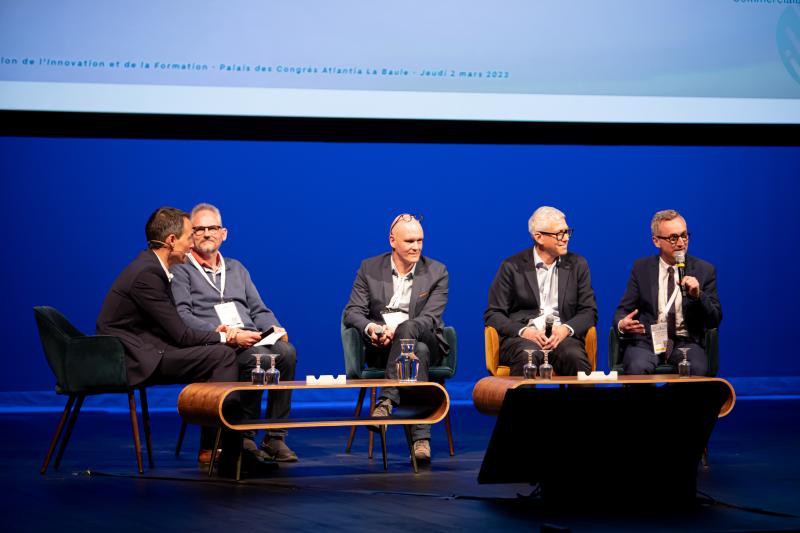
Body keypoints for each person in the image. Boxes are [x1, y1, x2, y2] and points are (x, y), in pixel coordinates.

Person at [96, 207, 275, 477]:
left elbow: (173, 331)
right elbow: (179, 333)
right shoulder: (147, 274)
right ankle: (228, 451)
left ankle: (224, 446)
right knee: (222, 355)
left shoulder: (153, 267)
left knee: (222, 353)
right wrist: (227, 336)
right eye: (189, 235)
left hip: (150, 347)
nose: (193, 242)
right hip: (135, 357)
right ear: (171, 241)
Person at [171, 203, 298, 462]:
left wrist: (274, 327)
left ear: (224, 233)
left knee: (286, 352)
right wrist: (226, 333)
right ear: (191, 234)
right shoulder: (181, 270)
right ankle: (245, 436)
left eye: (213, 228)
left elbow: (258, 309)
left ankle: (275, 437)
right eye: (199, 229)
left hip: (250, 338)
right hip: (217, 343)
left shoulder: (237, 268)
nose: (207, 233)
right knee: (259, 358)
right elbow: (183, 316)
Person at [343, 214, 449, 463]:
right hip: (382, 345)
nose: (416, 246)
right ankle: (421, 440)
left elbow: (430, 319)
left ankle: (386, 401)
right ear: (392, 240)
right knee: (417, 352)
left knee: (412, 332)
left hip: (427, 337)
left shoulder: (437, 271)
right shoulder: (369, 268)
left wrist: (399, 330)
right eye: (410, 240)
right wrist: (373, 329)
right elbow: (352, 312)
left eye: (420, 240)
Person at [485, 206, 597, 376]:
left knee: (574, 357)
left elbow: (589, 311)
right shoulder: (512, 266)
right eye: (559, 233)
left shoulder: (577, 265)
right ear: (539, 237)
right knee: (529, 356)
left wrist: (565, 329)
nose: (566, 238)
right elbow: (493, 314)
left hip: (562, 338)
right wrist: (525, 332)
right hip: (523, 338)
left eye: (567, 232)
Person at [613, 209, 722, 375]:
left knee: (697, 368)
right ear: (656, 241)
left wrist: (698, 296)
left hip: (685, 342)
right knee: (636, 365)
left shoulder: (704, 270)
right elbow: (623, 311)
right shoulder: (641, 268)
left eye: (684, 235)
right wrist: (622, 324)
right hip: (648, 342)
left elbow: (714, 320)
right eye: (673, 238)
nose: (681, 243)